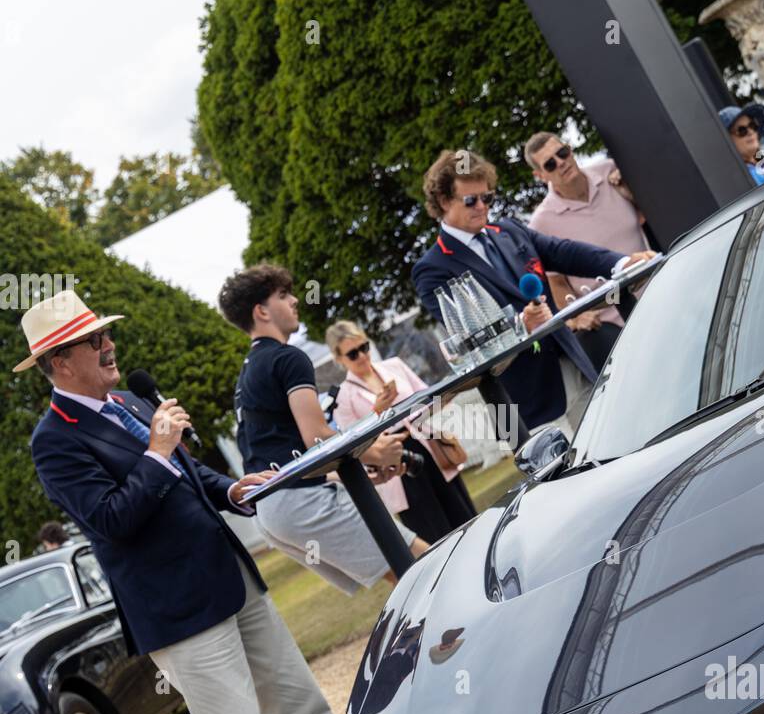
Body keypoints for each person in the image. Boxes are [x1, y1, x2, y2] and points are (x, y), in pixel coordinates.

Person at [18, 290, 357, 714]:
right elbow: (112, 519)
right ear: (60, 363)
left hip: (230, 574)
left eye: (104, 333)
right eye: (93, 341)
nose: (108, 344)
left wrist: (234, 490)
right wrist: (156, 450)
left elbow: (191, 477)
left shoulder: (127, 399)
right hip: (178, 612)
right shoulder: (53, 442)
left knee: (301, 704)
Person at [413, 149, 655, 436]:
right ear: (443, 201)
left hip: (576, 364)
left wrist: (623, 262)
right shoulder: (432, 269)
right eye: (470, 200)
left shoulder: (509, 230)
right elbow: (466, 339)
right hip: (526, 403)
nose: (482, 206)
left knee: (626, 442)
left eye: (487, 197)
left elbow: (565, 252)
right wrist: (519, 325)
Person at [218, 265, 428, 590]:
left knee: (406, 579)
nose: (295, 300)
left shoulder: (245, 376)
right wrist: (375, 453)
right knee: (426, 567)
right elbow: (316, 437)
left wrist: (359, 471)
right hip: (300, 501)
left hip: (273, 512)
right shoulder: (288, 358)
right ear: (261, 311)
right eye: (283, 295)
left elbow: (284, 456)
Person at [327, 320, 476, 543]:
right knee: (434, 534)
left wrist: (445, 394)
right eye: (353, 354)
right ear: (339, 359)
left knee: (464, 516)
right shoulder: (343, 397)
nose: (362, 356)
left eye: (364, 347)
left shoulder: (393, 366)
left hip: (429, 446)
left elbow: (427, 397)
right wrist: (377, 411)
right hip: (396, 464)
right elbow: (354, 445)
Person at [525, 132, 649, 372]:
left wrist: (631, 191)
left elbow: (652, 213)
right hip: (617, 327)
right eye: (550, 164)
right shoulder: (541, 223)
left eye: (562, 153)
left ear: (570, 149)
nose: (561, 163)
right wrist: (575, 317)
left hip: (664, 291)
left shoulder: (610, 172)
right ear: (540, 175)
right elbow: (556, 284)